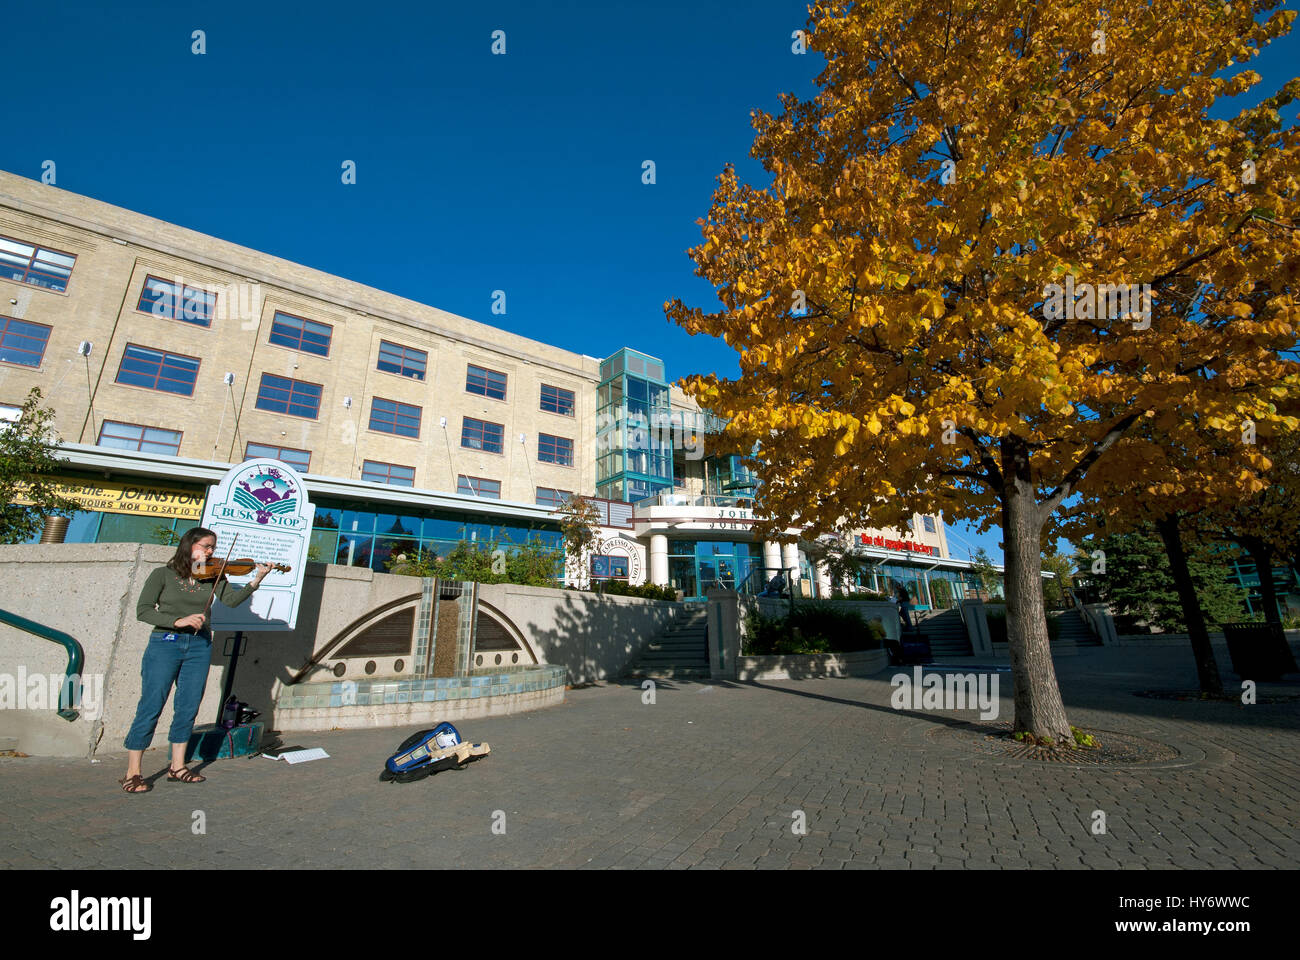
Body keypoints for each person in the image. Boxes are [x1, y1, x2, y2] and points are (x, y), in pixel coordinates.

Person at [119, 528, 271, 793]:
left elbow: (232, 601)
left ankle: (177, 766)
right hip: (165, 643)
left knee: (188, 706)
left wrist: (256, 579)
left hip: (199, 645)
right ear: (189, 546)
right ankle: (133, 772)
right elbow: (143, 610)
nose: (211, 552)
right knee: (152, 704)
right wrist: (177, 621)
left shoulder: (213, 575)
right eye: (205, 546)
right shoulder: (162, 575)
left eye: (213, 547)